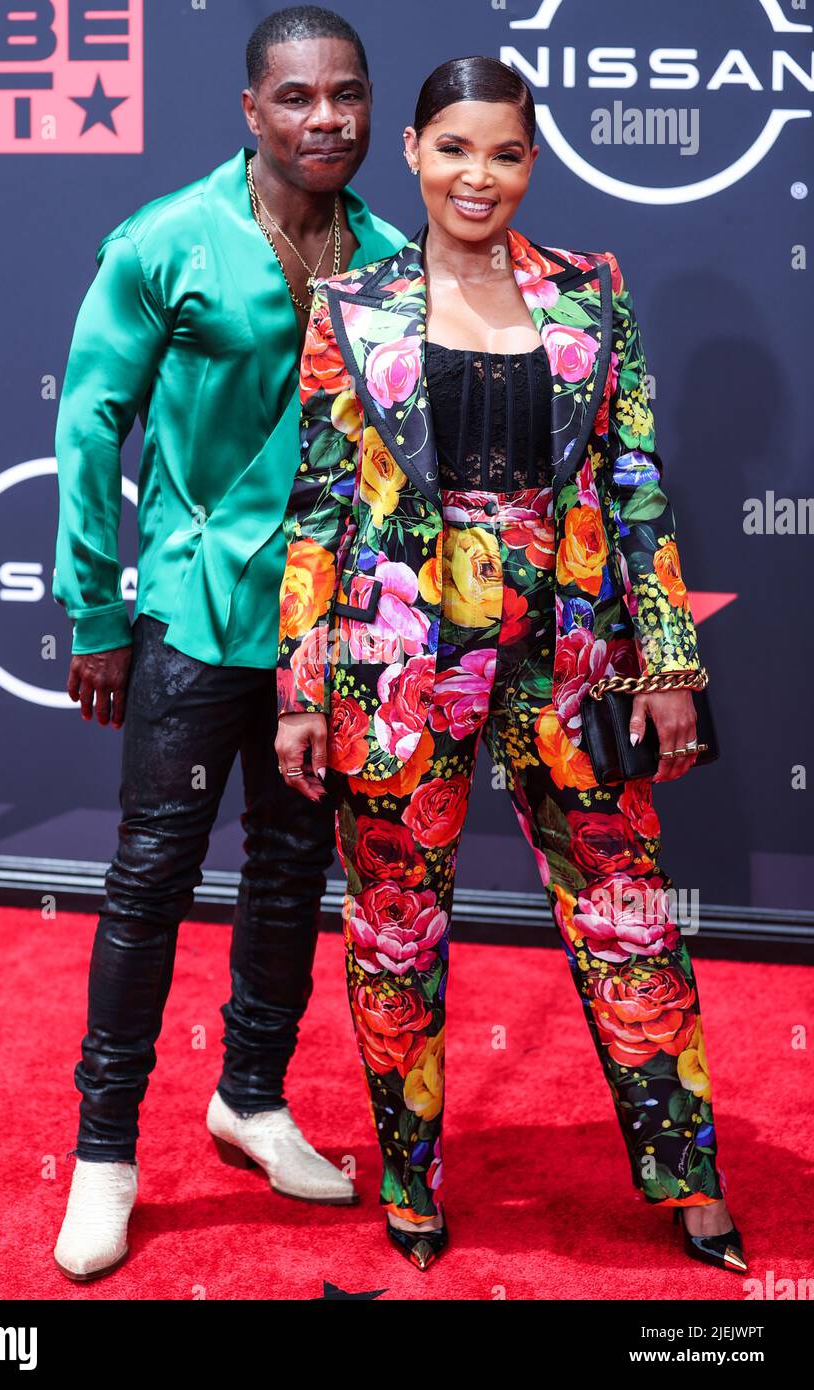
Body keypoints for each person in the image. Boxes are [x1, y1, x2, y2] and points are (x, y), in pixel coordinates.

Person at [274, 55, 746, 1275]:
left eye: (506, 152)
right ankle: (412, 1181)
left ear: (531, 160)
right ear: (416, 154)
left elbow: (635, 481)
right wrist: (301, 685)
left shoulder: (594, 295)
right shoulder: (353, 307)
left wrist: (670, 659)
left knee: (628, 915)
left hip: (571, 660)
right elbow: (320, 508)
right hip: (397, 662)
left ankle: (688, 1179)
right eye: (454, 150)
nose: (478, 176)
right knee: (393, 926)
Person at [50, 6, 406, 1282]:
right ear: (251, 112)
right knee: (150, 879)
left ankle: (250, 1097)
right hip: (195, 619)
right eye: (299, 97)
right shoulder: (167, 239)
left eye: (349, 95)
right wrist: (97, 612)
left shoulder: (386, 256)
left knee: (292, 867)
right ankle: (103, 1151)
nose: (329, 119)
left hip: (328, 640)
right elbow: (92, 426)